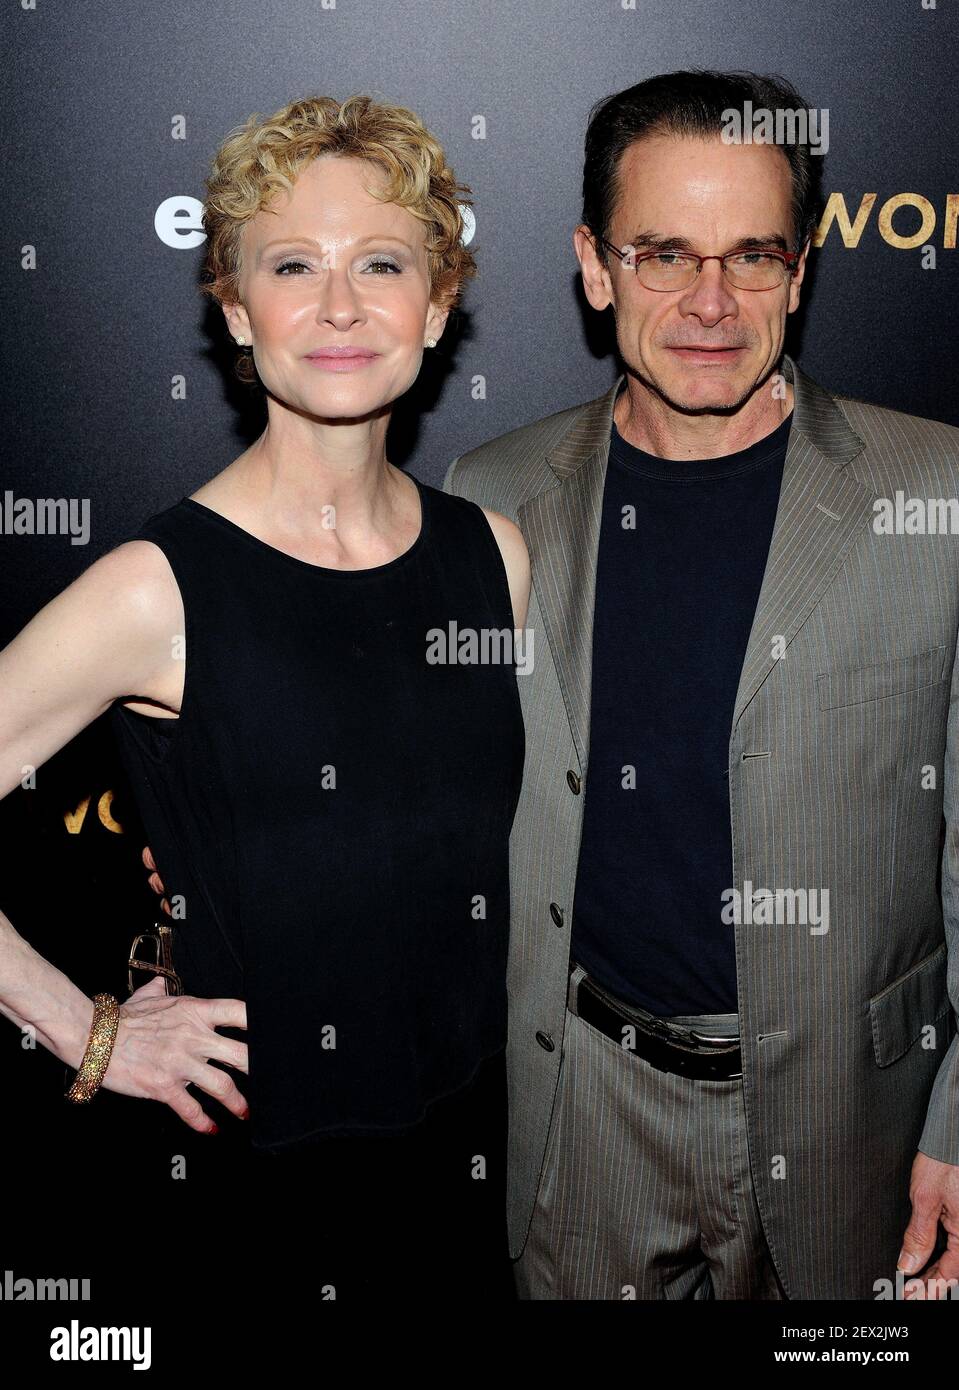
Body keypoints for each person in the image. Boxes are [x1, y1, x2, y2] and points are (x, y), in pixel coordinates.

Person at [0, 93, 529, 1301]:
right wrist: (85, 1031)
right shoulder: (155, 589)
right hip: (255, 1177)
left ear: (436, 304)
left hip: (474, 1143)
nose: (339, 306)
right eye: (293, 265)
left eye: (380, 264)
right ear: (237, 310)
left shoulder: (494, 555)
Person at [443, 69, 959, 1299]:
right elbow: (420, 790)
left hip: (864, 1122)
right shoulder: (488, 492)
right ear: (592, 263)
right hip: (583, 1113)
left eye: (752, 256)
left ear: (800, 268)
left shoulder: (935, 494)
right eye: (663, 253)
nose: (710, 303)